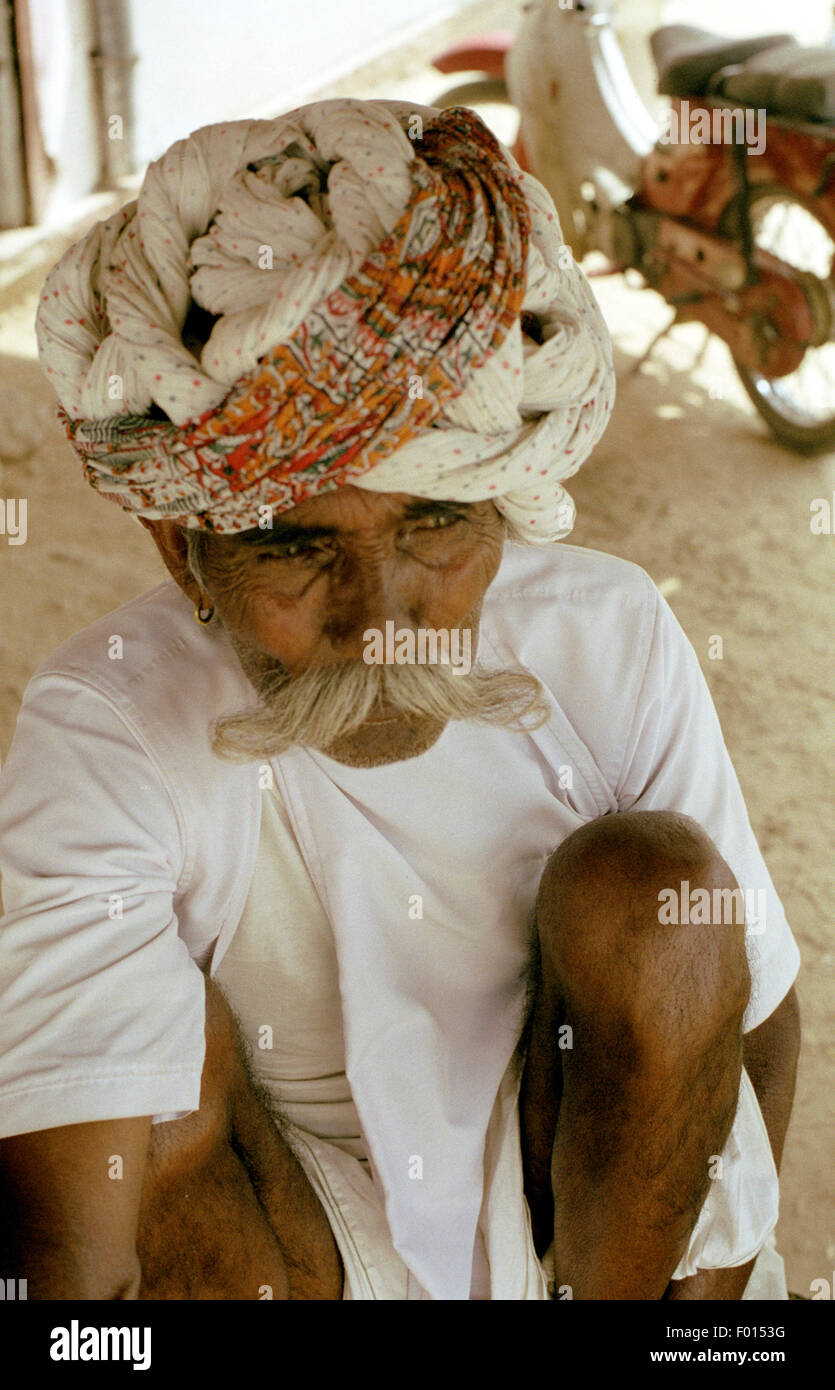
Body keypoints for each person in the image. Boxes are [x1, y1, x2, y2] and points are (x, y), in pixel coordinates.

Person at [0, 98, 799, 1301]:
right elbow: (68, 1250)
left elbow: (747, 1018)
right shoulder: (106, 720)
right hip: (293, 1237)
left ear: (498, 504)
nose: (382, 615)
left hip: (587, 1228)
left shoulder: (607, 632)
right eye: (298, 546)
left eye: (435, 522)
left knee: (661, 896)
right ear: (184, 553)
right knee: (134, 1081)